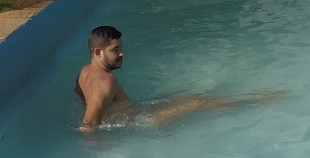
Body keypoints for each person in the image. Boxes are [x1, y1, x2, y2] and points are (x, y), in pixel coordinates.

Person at [75, 24, 284, 130]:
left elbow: (81, 95)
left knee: (192, 95)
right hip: (144, 122)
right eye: (115, 50)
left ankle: (222, 105)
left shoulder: (85, 72)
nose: (122, 53)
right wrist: (101, 150)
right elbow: (88, 124)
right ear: (98, 52)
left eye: (121, 48)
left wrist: (111, 113)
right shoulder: (106, 81)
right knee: (199, 101)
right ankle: (260, 99)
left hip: (135, 115)